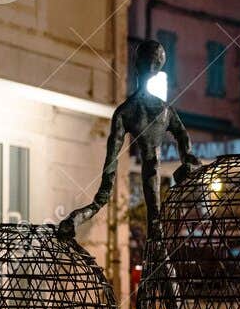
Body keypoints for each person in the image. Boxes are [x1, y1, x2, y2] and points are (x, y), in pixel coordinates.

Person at [59, 40, 196, 241]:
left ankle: (77, 218)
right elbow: (182, 136)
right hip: (152, 174)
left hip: (150, 175)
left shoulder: (127, 112)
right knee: (153, 217)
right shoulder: (163, 111)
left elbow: (111, 163)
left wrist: (187, 158)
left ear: (136, 64)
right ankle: (77, 219)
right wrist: (187, 157)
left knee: (141, 210)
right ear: (158, 69)